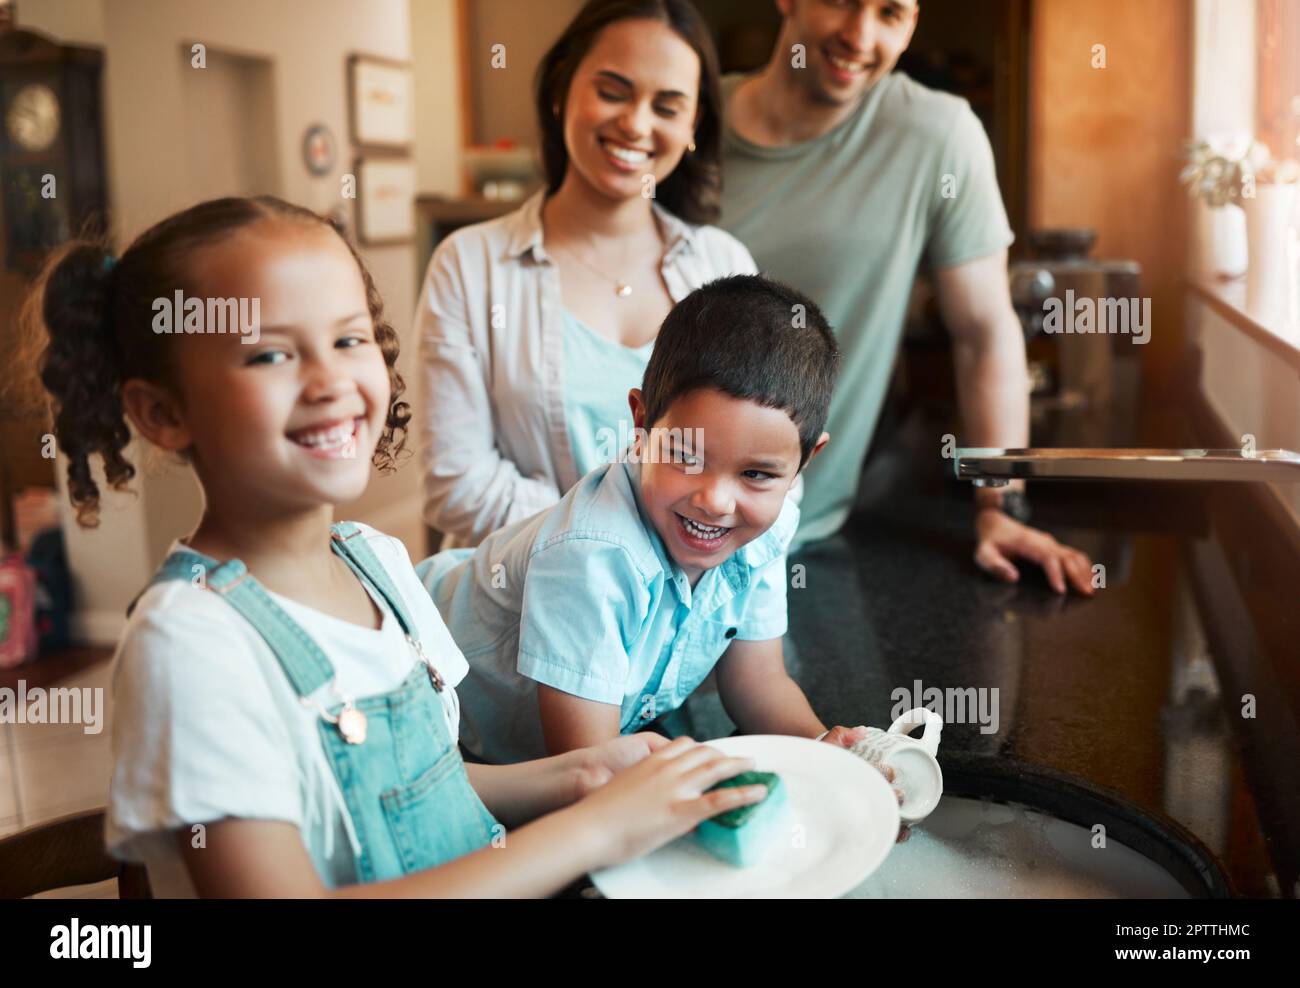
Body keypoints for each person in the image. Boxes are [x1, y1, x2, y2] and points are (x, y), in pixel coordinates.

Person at [25, 196, 768, 897]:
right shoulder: (188, 644)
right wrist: (591, 831)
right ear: (161, 412)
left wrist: (580, 777)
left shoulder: (376, 563)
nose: (331, 380)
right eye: (269, 356)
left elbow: (424, 786)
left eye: (349, 339)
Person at [419, 275, 878, 767]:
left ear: (805, 462)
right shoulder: (592, 557)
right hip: (428, 711)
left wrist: (827, 757)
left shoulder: (766, 530)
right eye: (686, 456)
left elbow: (758, 681)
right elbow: (587, 770)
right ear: (640, 423)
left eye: (756, 474)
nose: (716, 501)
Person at [720, 0, 1095, 595]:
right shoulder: (683, 116)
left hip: (795, 545)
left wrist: (1000, 506)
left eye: (890, 12)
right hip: (638, 514)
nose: (859, 35)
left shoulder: (937, 135)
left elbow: (984, 331)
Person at [416, 0, 755, 549]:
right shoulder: (469, 263)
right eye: (613, 91)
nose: (636, 123)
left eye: (667, 106)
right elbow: (455, 487)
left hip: (689, 619)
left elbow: (770, 470)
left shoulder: (725, 266)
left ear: (693, 126)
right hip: (514, 610)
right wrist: (649, 531)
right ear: (560, 91)